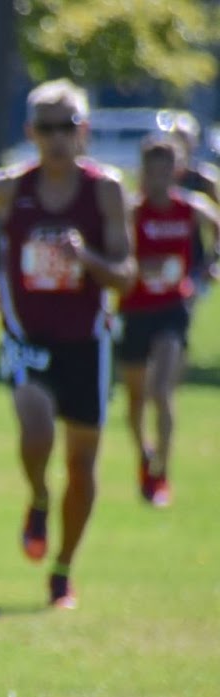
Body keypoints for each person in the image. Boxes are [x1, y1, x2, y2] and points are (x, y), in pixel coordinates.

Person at [0, 79, 135, 610]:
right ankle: (37, 498)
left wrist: (87, 261)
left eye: (67, 127)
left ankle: (62, 568)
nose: (57, 138)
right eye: (46, 128)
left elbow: (124, 276)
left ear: (85, 131)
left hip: (87, 343)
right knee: (34, 427)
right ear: (30, 132)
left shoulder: (105, 191)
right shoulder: (11, 188)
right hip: (26, 338)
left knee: (82, 466)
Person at [116, 137, 220, 507]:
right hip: (134, 309)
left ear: (176, 171)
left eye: (165, 171)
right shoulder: (131, 211)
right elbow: (113, 249)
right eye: (151, 171)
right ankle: (143, 454)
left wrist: (209, 265)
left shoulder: (190, 208)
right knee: (134, 401)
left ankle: (161, 471)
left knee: (162, 391)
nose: (157, 179)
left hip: (172, 309)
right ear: (142, 172)